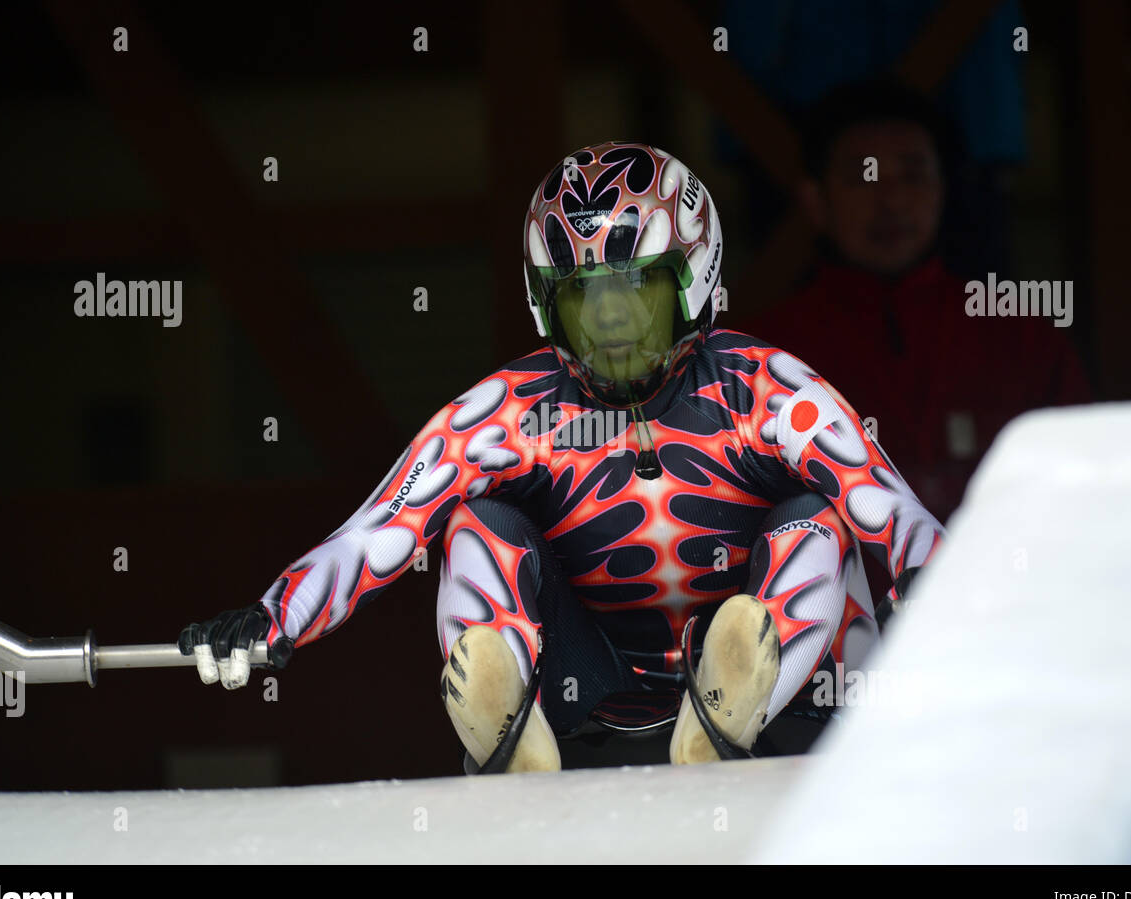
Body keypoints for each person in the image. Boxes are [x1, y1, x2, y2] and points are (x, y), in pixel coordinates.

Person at [179, 142, 945, 773]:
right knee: (477, 521)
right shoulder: (510, 410)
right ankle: (508, 730)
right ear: (545, 303)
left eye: (634, 287)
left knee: (819, 519)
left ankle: (727, 715)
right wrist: (271, 617)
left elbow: (895, 514)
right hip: (595, 710)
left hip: (798, 714)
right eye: (583, 295)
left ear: (695, 278)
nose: (611, 321)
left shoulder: (769, 390)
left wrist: (952, 596)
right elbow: (381, 528)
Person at [743, 83, 1090, 531]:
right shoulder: (763, 358)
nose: (891, 200)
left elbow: (1086, 495)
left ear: (945, 189)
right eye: (862, 177)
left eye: (913, 175)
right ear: (815, 199)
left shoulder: (1023, 334)